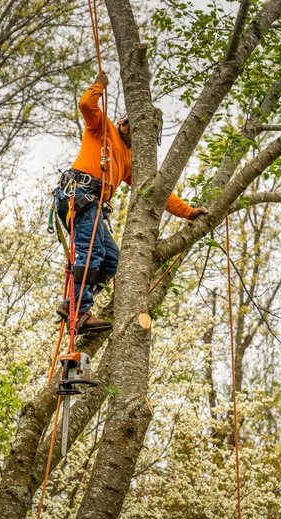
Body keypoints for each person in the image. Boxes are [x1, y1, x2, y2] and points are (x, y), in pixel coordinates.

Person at [54, 72, 207, 334]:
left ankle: (75, 301)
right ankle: (78, 312)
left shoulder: (128, 160)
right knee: (91, 252)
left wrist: (189, 213)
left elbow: (156, 192)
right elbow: (86, 105)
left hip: (92, 204)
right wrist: (99, 86)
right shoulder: (103, 128)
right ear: (125, 124)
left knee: (112, 260)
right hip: (78, 195)